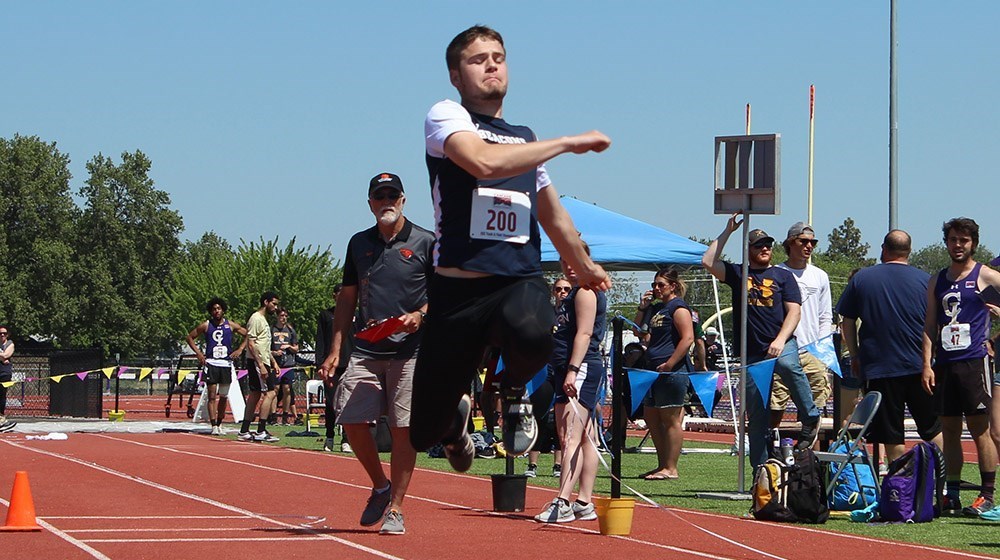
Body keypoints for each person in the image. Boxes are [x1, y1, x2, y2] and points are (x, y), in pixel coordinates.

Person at [411, 25, 611, 472]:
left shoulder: (524, 138)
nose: (491, 64)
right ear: (455, 75)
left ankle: (512, 391)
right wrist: (566, 144)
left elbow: (554, 216)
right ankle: (454, 426)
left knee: (534, 332)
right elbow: (481, 161)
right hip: (458, 291)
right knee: (423, 428)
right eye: (477, 59)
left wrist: (584, 265)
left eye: (498, 56)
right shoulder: (447, 116)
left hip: (515, 278)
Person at [318, 172, 434, 536]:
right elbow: (347, 299)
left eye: (392, 195)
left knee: (403, 430)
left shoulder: (426, 242)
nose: (386, 201)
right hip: (366, 349)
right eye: (379, 196)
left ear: (403, 200)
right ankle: (380, 485)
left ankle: (397, 509)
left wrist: (420, 315)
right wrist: (336, 349)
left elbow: (446, 295)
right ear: (370, 203)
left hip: (410, 351)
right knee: (350, 418)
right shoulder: (358, 244)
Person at [701, 212, 820, 468]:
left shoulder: (782, 275)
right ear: (749, 250)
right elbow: (708, 261)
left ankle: (810, 416)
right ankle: (760, 472)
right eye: (759, 245)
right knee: (757, 415)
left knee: (789, 366)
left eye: (768, 244)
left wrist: (780, 339)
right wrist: (728, 231)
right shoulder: (738, 273)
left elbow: (795, 311)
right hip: (752, 354)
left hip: (781, 342)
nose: (765, 248)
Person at [836, 231, 943, 468]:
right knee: (932, 427)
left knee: (891, 433)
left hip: (880, 368)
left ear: (884, 248)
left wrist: (854, 354)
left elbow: (847, 320)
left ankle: (900, 483)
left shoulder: (862, 278)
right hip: (920, 366)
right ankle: (943, 480)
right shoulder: (927, 280)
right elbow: (936, 323)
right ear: (909, 251)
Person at [922, 217, 1000, 516]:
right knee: (950, 429)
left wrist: (995, 329)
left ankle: (987, 494)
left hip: (973, 361)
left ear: (973, 243)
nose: (958, 245)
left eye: (964, 240)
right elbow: (930, 324)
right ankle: (951, 494)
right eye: (953, 239)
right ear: (947, 242)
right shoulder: (937, 280)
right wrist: (926, 363)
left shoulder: (986, 275)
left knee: (980, 429)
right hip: (944, 363)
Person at [535, 244, 606, 523]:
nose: (570, 266)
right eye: (565, 261)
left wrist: (573, 371)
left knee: (570, 438)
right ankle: (584, 502)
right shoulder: (574, 293)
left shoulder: (585, 292)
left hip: (580, 367)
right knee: (586, 438)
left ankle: (562, 501)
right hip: (568, 367)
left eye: (576, 259)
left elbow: (585, 333)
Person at [771, 222, 833, 431]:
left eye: (813, 242)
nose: (809, 246)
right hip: (783, 352)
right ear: (790, 243)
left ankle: (811, 461)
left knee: (813, 414)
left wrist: (822, 352)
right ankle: (771, 456)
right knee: (774, 408)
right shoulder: (775, 272)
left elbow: (826, 316)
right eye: (803, 241)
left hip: (812, 352)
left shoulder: (820, 276)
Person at [633, 269, 694, 480]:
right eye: (654, 284)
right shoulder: (658, 309)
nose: (656, 288)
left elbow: (688, 339)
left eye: (661, 284)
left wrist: (670, 363)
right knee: (650, 415)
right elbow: (638, 331)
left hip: (672, 371)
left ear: (673, 286)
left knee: (670, 418)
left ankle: (671, 467)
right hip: (652, 369)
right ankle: (662, 465)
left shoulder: (678, 308)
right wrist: (643, 307)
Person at [526, 277, 571, 478]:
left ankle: (559, 464)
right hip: (544, 370)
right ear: (553, 292)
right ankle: (532, 465)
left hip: (565, 369)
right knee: (539, 415)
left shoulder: (576, 314)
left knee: (561, 419)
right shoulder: (545, 314)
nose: (562, 292)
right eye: (559, 289)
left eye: (567, 289)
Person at [184, 298, 249, 435]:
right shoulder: (206, 325)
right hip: (212, 363)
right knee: (212, 396)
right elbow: (190, 337)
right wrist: (199, 354)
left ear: (223, 310)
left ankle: (220, 422)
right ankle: (213, 425)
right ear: (211, 311)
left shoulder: (230, 325)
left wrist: (240, 349)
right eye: (214, 309)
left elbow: (248, 334)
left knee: (224, 396)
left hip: (226, 363)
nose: (216, 311)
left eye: (219, 308)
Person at [239, 291, 282, 443]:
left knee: (256, 393)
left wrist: (273, 362)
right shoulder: (256, 318)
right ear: (266, 302)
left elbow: (263, 345)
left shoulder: (263, 320)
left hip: (264, 360)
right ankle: (261, 430)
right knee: (271, 392)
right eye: (274, 303)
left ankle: (244, 430)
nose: (275, 307)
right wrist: (261, 365)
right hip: (258, 362)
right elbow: (251, 343)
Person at [315, 284, 353, 452]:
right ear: (334, 296)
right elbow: (321, 340)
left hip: (351, 364)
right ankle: (329, 436)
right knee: (332, 403)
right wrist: (320, 363)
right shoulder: (326, 315)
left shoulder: (356, 315)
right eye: (340, 294)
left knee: (348, 403)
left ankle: (346, 439)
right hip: (331, 366)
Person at [270, 308, 301, 425]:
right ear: (277, 316)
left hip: (288, 364)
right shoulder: (271, 330)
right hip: (275, 364)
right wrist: (274, 353)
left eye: (286, 316)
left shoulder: (290, 330)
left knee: (287, 389)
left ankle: (285, 416)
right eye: (282, 316)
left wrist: (288, 346)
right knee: (275, 389)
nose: (284, 318)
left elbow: (296, 348)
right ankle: (273, 416)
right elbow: (266, 349)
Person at [0, 326, 16, 432]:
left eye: (4, 333)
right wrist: (2, 358)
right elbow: (3, 357)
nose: (2, 335)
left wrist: (4, 357)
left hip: (4, 374)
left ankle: (1, 418)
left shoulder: (10, 344)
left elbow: (7, 354)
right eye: (0, 333)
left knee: (1, 396)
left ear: (7, 334)